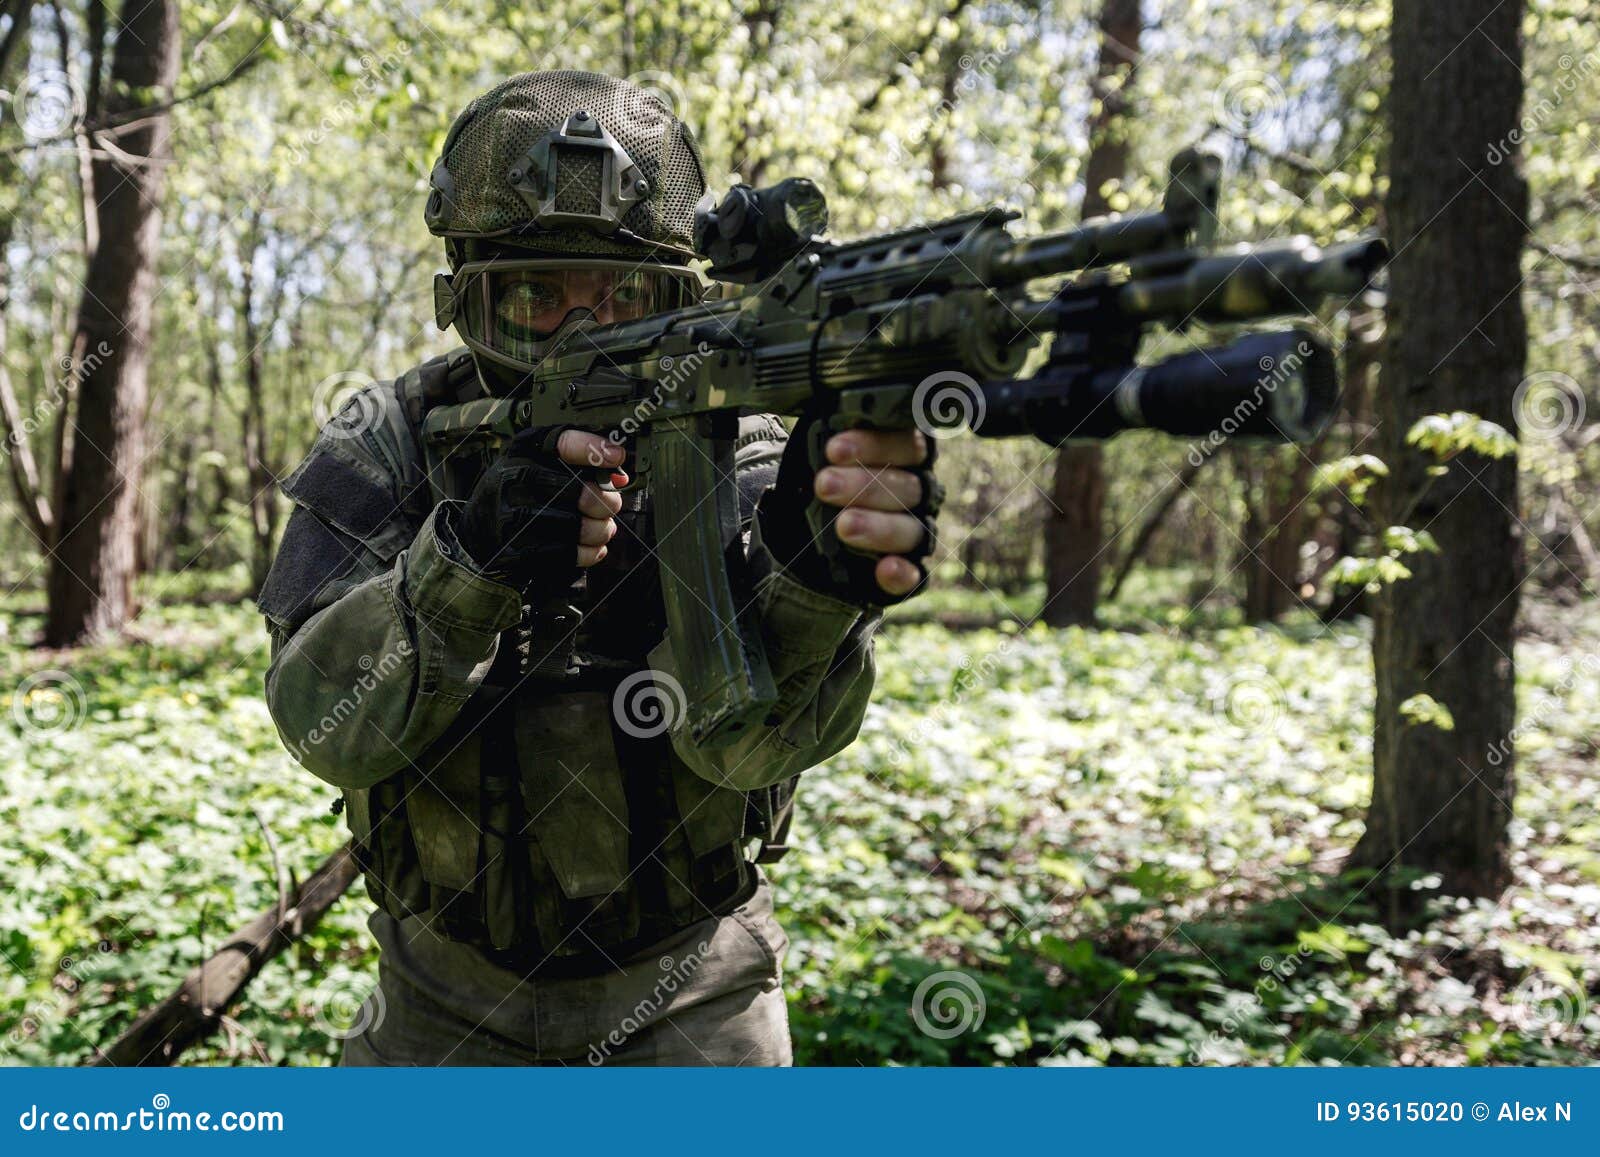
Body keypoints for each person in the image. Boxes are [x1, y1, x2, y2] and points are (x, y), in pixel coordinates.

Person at [259, 70, 942, 1065]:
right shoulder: (391, 440)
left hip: (695, 987)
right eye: (531, 295)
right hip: (439, 990)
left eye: (628, 295)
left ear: (687, 297)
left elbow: (748, 751)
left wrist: (811, 572)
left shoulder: (741, 447)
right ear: (462, 300)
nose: (588, 333)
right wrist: (463, 566)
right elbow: (320, 727)